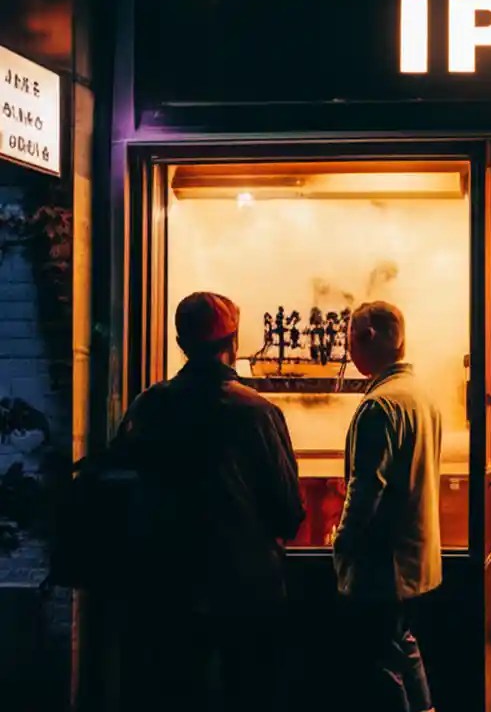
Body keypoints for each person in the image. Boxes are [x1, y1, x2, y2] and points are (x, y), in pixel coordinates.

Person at [110, 291, 305, 712]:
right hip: (247, 590)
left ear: (182, 344)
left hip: (166, 589)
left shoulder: (149, 406)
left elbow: (120, 482)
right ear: (232, 344)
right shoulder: (257, 413)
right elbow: (288, 511)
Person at [334, 301, 441, 712]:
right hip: (414, 559)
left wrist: (342, 541)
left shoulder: (380, 405)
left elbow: (365, 491)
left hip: (383, 563)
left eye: (349, 338)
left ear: (368, 337)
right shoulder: (420, 395)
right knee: (402, 646)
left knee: (382, 666)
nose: (347, 348)